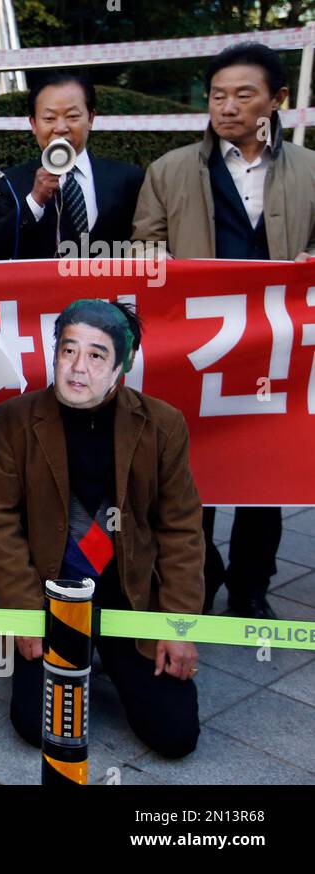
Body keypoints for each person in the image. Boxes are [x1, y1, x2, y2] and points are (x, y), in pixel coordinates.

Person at [133, 42, 315, 620]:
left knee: (267, 469)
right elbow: (144, 251)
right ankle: (198, 577)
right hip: (198, 347)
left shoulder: (311, 171)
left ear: (277, 100)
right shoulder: (171, 170)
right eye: (218, 95)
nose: (228, 106)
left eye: (244, 94)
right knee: (190, 470)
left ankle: (251, 587)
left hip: (279, 349)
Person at [0, 299, 202, 758]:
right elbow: (0, 525)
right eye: (68, 350)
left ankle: (115, 660)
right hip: (54, 599)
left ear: (122, 366)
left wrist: (179, 625)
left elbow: (181, 529)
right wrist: (23, 614)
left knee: (175, 736)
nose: (78, 368)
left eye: (97, 355)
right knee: (34, 727)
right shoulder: (13, 422)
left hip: (129, 595)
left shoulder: (162, 424)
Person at [0, 72, 144, 261]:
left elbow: (149, 242)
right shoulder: (10, 182)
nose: (61, 127)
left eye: (72, 116)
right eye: (49, 119)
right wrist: (34, 200)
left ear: (90, 118)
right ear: (33, 124)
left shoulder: (129, 179)